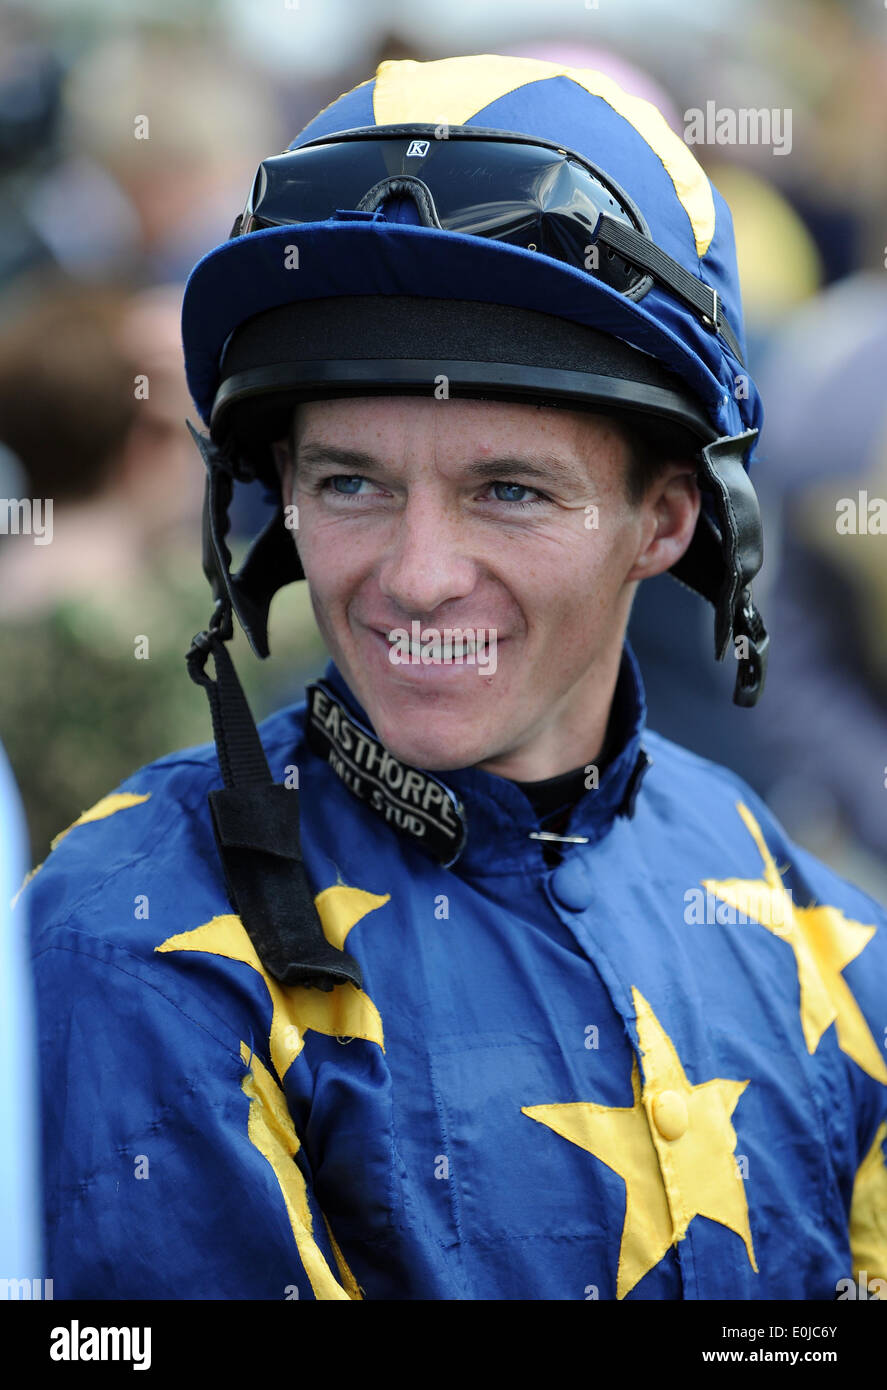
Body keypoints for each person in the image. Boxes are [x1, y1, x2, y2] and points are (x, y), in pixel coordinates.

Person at [20, 54, 887, 1301]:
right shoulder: (132, 937)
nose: (417, 577)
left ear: (667, 521)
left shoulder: (807, 915)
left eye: (510, 491)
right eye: (350, 482)